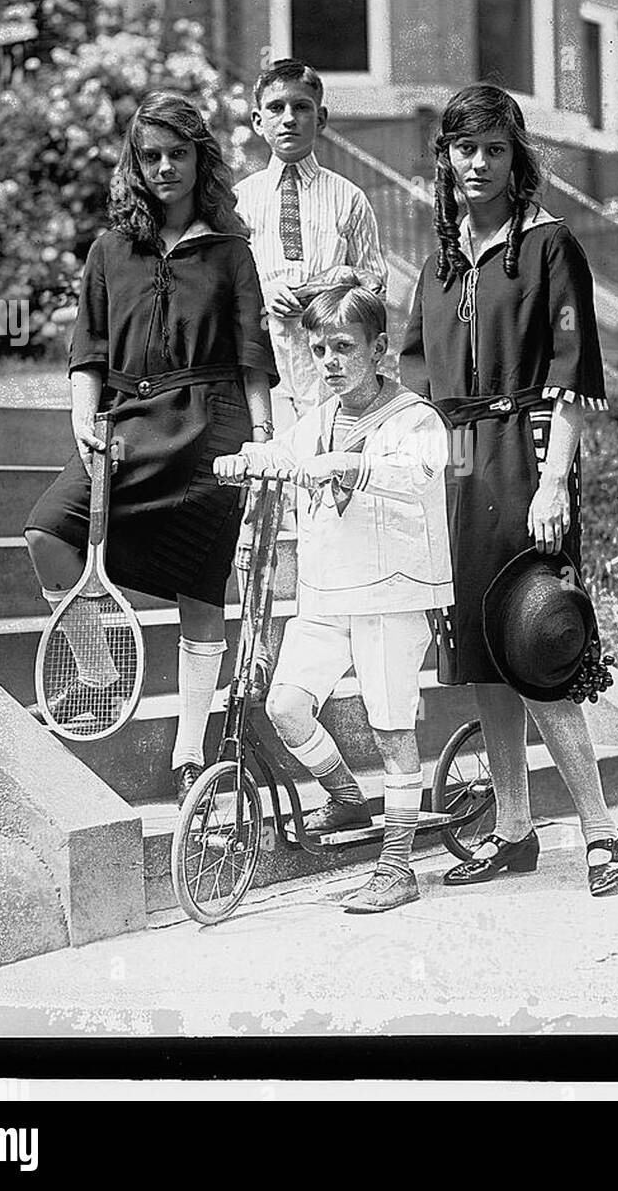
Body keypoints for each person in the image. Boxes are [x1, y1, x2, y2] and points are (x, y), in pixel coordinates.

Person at [400, 83, 618, 896]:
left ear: (515, 159)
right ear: (446, 158)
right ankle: (512, 827)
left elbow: (573, 375)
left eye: (493, 150)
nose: (477, 163)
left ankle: (604, 833)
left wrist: (553, 482)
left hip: (528, 450)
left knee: (536, 645)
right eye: (464, 149)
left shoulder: (549, 245)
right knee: (481, 654)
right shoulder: (436, 259)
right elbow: (411, 376)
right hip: (458, 462)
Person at [24, 90, 278, 805]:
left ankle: (191, 754)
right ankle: (100, 672)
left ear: (202, 159)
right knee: (47, 530)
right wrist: (84, 416)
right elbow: (88, 349)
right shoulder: (110, 249)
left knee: (203, 590)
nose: (164, 167)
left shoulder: (232, 253)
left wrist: (260, 440)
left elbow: (252, 353)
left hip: (211, 430)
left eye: (178, 154)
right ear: (134, 165)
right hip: (125, 427)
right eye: (151, 156)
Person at [215, 284, 453, 913]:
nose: (329, 361)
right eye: (318, 349)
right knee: (288, 704)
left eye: (344, 347)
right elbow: (281, 454)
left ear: (379, 350)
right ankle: (346, 796)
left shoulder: (415, 418)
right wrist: (248, 457)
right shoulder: (318, 418)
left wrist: (353, 468)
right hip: (326, 591)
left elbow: (420, 472)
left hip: (390, 592)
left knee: (390, 723)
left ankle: (399, 865)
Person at [233, 58, 387, 416]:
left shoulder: (348, 198)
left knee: (329, 460)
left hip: (331, 361)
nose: (289, 118)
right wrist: (266, 295)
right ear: (258, 121)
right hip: (265, 358)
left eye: (301, 107)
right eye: (275, 108)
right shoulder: (239, 200)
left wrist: (327, 291)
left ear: (320, 119)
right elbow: (226, 283)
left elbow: (374, 284)